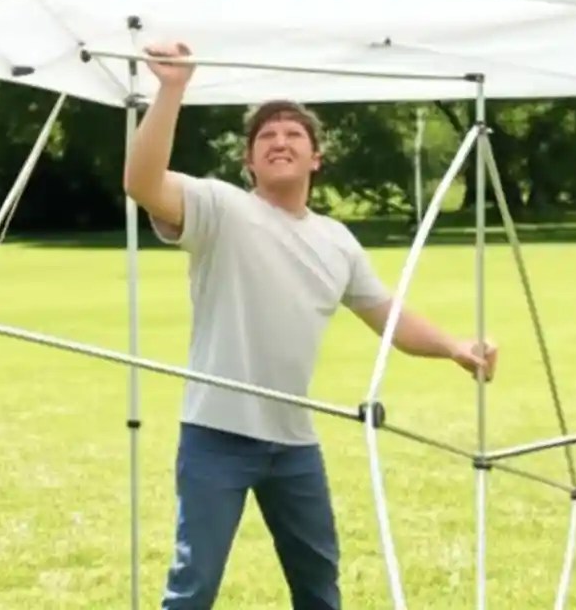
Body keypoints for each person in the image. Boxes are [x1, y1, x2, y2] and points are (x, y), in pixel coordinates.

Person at [123, 42, 498, 610]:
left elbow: (389, 318)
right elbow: (142, 182)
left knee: (319, 587)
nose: (280, 141)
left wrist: (455, 347)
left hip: (294, 445)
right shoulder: (220, 209)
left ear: (316, 158)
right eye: (267, 137)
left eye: (293, 134)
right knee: (193, 588)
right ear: (249, 161)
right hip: (215, 436)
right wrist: (172, 89)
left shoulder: (336, 241)